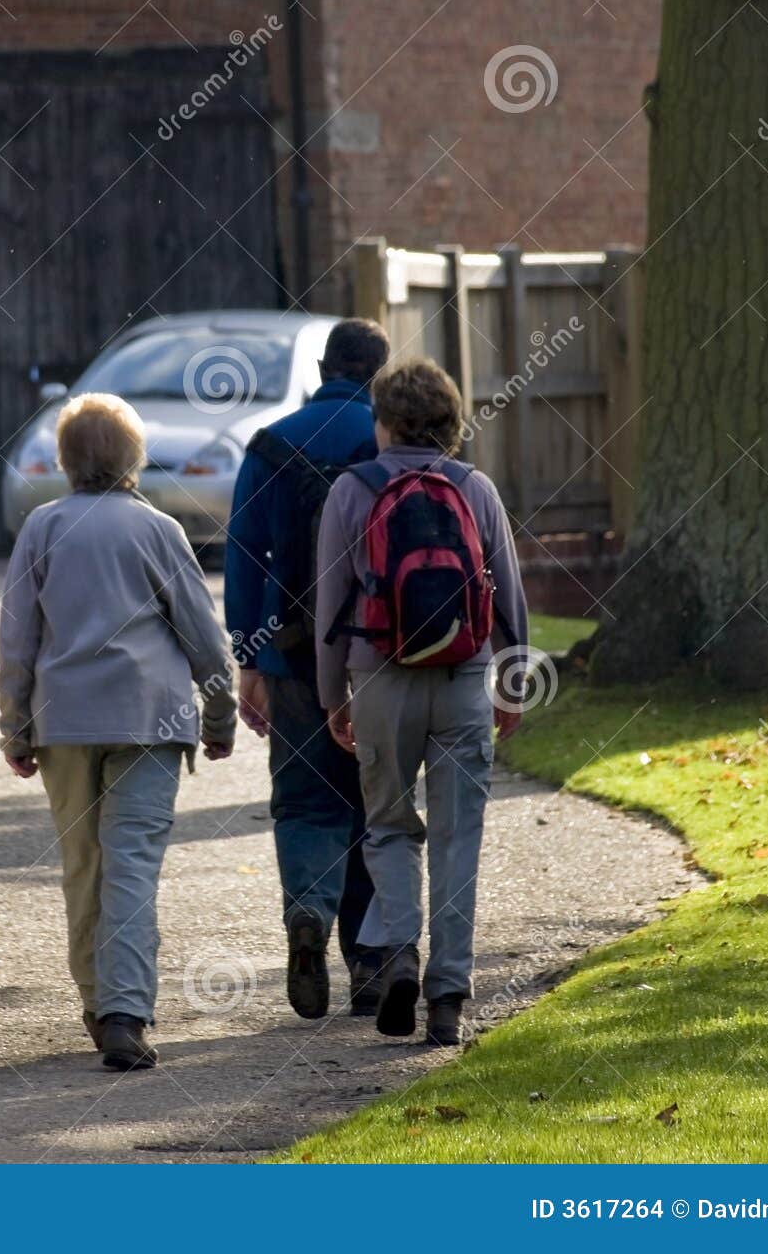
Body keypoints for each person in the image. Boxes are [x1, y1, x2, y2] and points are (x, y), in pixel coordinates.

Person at [0, 393, 236, 1071]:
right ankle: (127, 1010)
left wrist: (15, 726)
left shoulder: (41, 530)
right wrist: (218, 719)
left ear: (67, 461)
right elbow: (204, 638)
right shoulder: (157, 530)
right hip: (149, 721)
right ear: (135, 456)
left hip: (65, 723)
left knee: (84, 867)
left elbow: (17, 640)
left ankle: (99, 1005)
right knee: (130, 864)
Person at [314, 356, 528, 1047]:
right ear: (451, 422)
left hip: (379, 677)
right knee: (459, 837)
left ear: (383, 422)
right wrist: (513, 683)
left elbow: (330, 604)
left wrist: (331, 696)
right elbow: (510, 596)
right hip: (463, 678)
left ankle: (399, 951)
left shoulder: (351, 491)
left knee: (389, 827)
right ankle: (448, 997)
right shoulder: (475, 487)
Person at [224, 318, 390, 1022]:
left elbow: (241, 555)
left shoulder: (268, 444)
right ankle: (373, 963)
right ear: (378, 373)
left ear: (321, 367)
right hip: (383, 657)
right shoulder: (391, 445)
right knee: (375, 806)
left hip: (291, 652)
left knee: (304, 800)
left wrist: (248, 657)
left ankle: (308, 915)